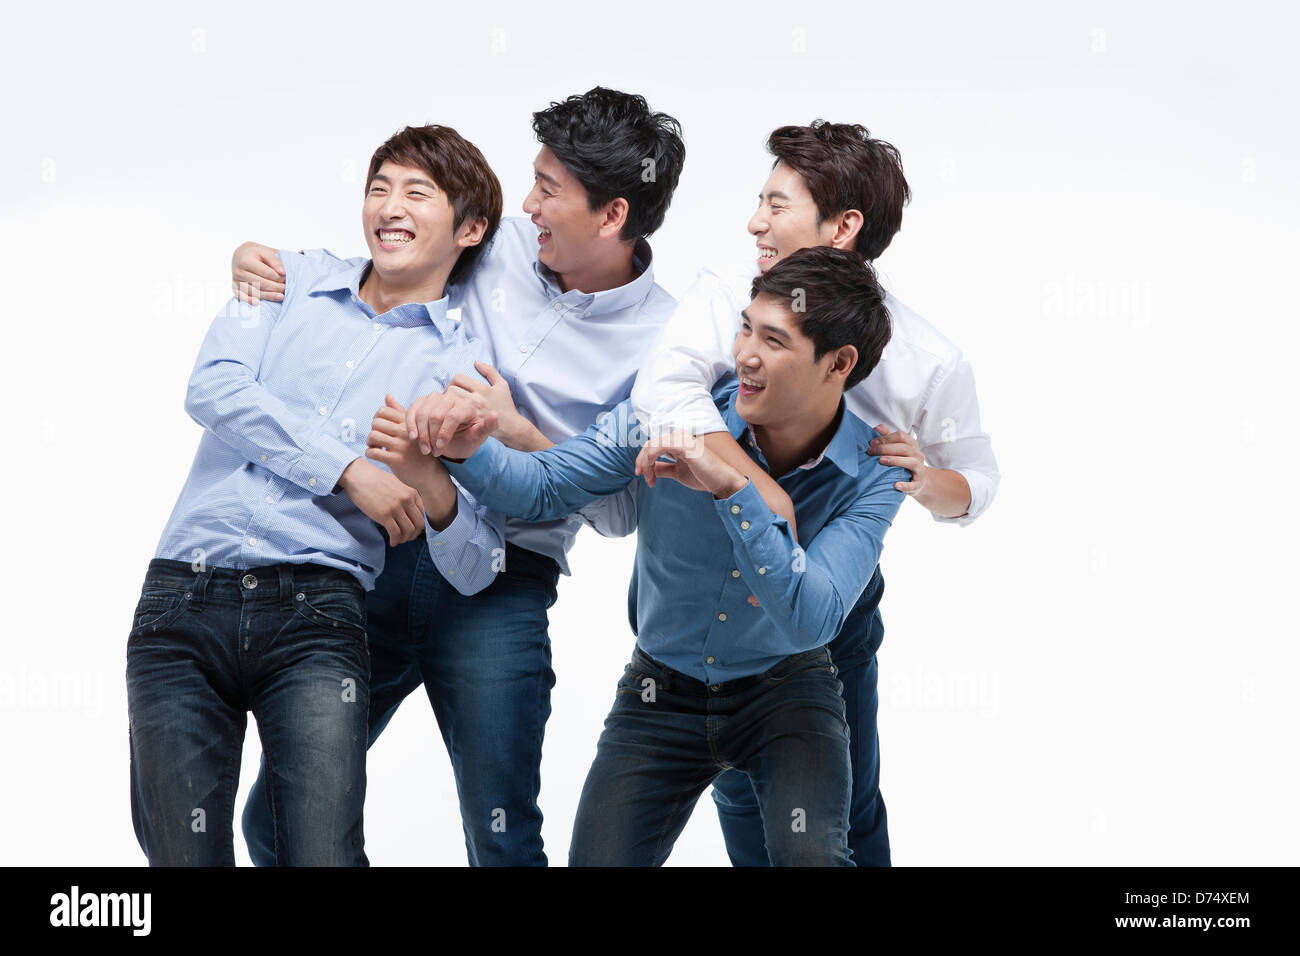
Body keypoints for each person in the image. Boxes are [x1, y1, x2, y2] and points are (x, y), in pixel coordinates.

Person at [231, 88, 687, 865]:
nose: (530, 203)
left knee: (502, 838)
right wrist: (267, 268)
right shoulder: (494, 242)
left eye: (549, 189)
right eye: (534, 180)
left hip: (504, 585)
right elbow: (379, 276)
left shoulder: (665, 342)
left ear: (611, 216)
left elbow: (621, 515)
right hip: (380, 551)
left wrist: (519, 434)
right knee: (277, 818)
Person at [405, 246, 907, 865]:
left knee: (814, 858)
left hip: (787, 696)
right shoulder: (668, 412)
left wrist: (731, 486)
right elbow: (544, 486)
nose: (744, 353)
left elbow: (812, 617)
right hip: (658, 695)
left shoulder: (875, 474)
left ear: (839, 364)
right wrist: (464, 450)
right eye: (745, 327)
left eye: (774, 340)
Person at [126, 124, 507, 865]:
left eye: (416, 193)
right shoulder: (279, 277)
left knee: (320, 855)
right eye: (378, 187)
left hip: (316, 618)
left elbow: (477, 564)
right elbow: (213, 388)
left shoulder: (460, 369)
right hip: (180, 600)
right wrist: (348, 470)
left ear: (470, 227)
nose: (389, 207)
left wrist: (431, 488)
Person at [629, 120, 1001, 866]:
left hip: (835, 611)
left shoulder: (926, 358)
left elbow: (977, 485)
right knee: (739, 788)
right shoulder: (727, 296)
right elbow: (660, 391)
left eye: (776, 204)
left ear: (843, 227)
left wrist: (923, 479)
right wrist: (763, 490)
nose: (753, 222)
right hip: (716, 595)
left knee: (848, 801)